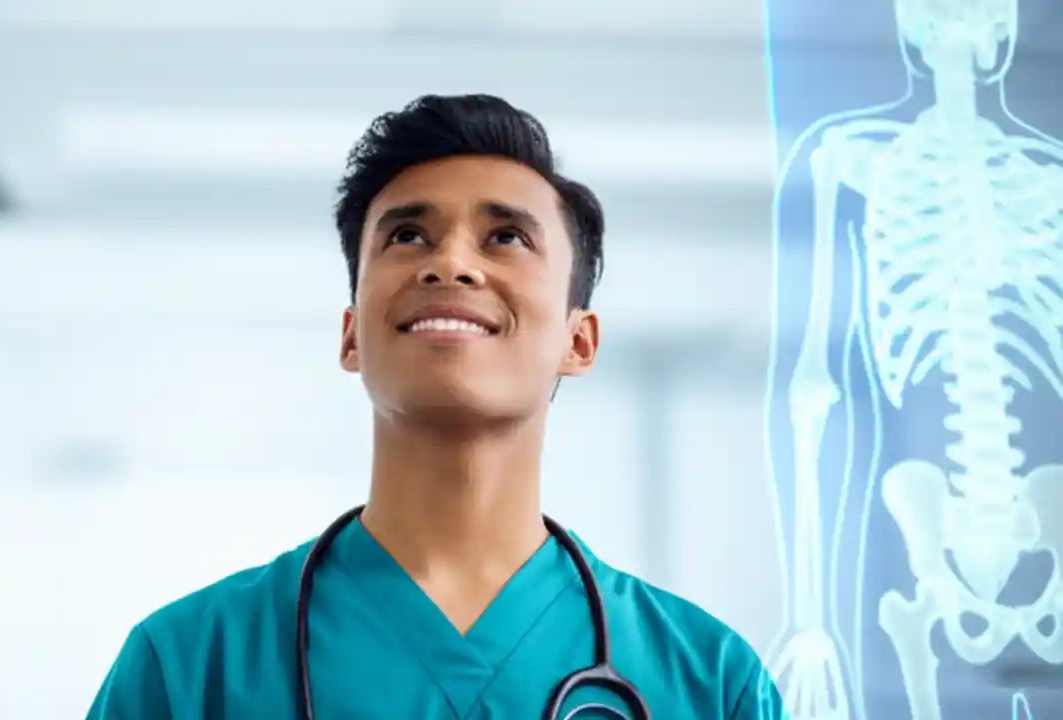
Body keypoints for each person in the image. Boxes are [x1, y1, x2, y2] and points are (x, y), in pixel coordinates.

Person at [85, 93, 786, 719]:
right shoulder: (189, 669)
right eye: (407, 235)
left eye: (506, 237)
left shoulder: (710, 682)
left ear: (578, 340)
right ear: (352, 333)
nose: (449, 263)